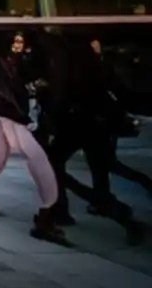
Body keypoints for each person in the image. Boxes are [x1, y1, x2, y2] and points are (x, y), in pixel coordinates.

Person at [0, 30, 67, 245]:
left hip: (0, 113)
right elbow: (5, 95)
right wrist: (23, 118)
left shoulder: (5, 61)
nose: (18, 45)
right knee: (37, 157)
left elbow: (11, 86)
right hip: (9, 115)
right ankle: (47, 211)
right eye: (14, 42)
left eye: (20, 41)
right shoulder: (3, 64)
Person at [47, 36, 144, 245]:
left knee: (52, 164)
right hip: (95, 128)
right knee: (100, 167)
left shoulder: (71, 70)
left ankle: (106, 206)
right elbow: (120, 93)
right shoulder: (96, 68)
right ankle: (117, 212)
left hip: (76, 126)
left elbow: (62, 100)